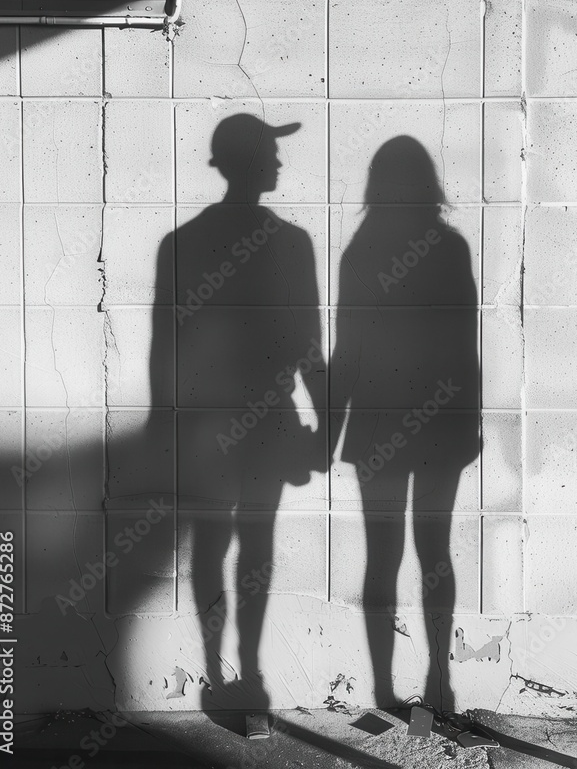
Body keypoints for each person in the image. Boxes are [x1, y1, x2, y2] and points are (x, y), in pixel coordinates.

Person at [150, 113, 327, 711]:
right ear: (248, 163)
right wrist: (326, 424)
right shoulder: (291, 241)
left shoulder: (181, 243)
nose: (280, 164)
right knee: (254, 542)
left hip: (205, 418)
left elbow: (164, 345)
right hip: (263, 416)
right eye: (272, 155)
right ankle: (246, 677)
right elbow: (309, 345)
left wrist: (163, 427)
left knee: (213, 542)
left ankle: (220, 671)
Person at [331, 136, 480, 712]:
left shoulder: (360, 254)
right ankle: (439, 681)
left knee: (383, 553)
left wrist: (329, 431)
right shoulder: (450, 248)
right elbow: (464, 345)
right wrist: (466, 428)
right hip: (441, 424)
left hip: (376, 425)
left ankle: (386, 691)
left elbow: (348, 351)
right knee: (434, 551)